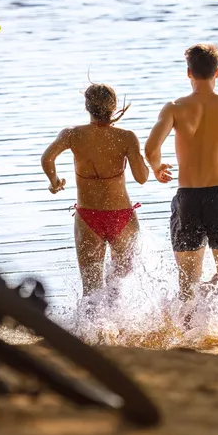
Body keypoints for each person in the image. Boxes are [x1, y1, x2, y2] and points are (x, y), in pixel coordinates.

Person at [145, 43, 218, 302]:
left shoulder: (174, 108)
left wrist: (157, 168)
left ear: (189, 73)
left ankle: (187, 330)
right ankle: (206, 303)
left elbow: (151, 148)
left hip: (187, 198)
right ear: (217, 73)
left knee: (187, 282)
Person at [41, 83, 150, 295]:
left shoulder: (72, 135)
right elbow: (142, 178)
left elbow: (47, 158)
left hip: (88, 218)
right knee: (119, 283)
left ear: (86, 107)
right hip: (122, 216)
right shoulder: (126, 137)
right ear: (114, 107)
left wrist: (55, 182)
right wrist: (140, 156)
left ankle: (91, 327)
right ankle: (117, 321)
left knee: (90, 290)